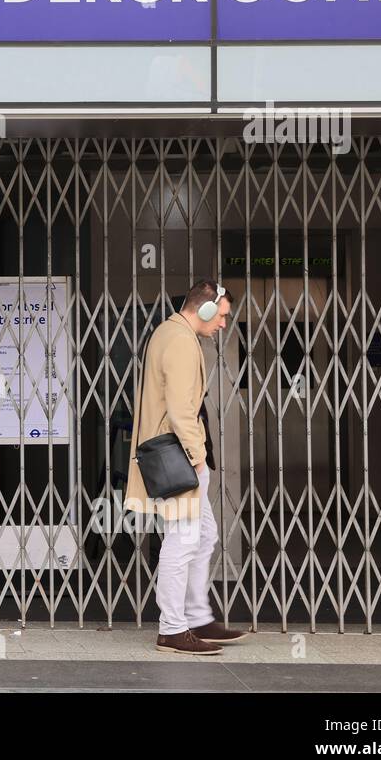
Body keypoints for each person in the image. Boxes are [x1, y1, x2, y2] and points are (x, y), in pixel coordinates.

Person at [124, 278, 247, 655]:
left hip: (181, 455)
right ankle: (173, 628)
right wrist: (197, 456)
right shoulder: (179, 340)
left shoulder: (169, 333)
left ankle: (196, 616)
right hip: (182, 457)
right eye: (222, 316)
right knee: (183, 540)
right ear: (205, 309)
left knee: (203, 534)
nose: (224, 324)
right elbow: (180, 409)